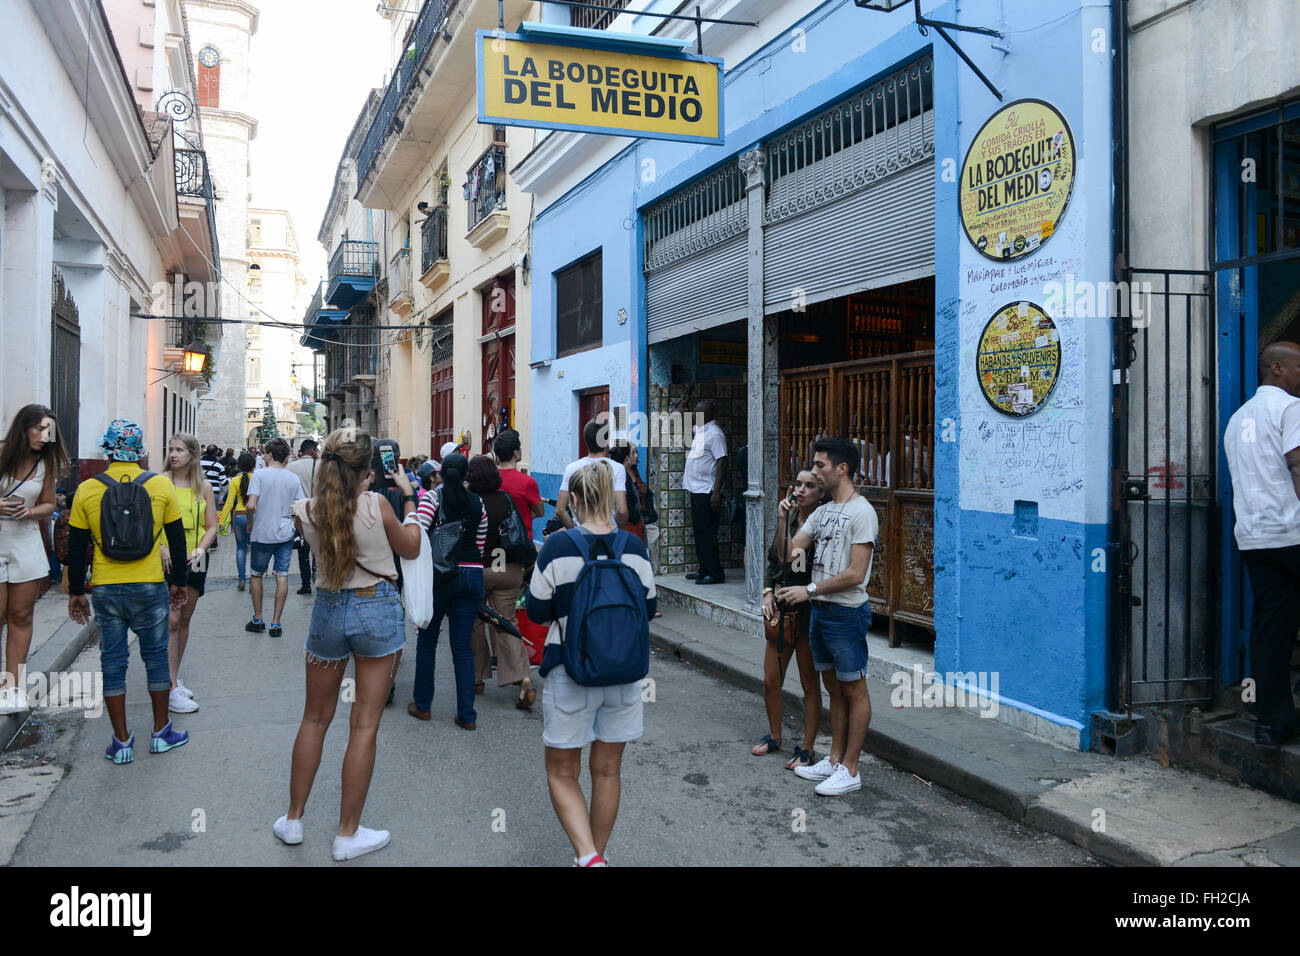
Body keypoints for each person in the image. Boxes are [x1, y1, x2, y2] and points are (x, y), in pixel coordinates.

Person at [278, 427, 421, 861]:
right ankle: (346, 833)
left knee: (314, 719)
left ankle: (294, 820)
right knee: (364, 725)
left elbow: (327, 535)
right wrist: (410, 499)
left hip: (328, 607)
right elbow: (411, 549)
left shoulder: (305, 509)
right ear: (369, 470)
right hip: (374, 606)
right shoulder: (378, 505)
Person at [527, 461, 656, 866]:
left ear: (577, 500)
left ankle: (587, 857)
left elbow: (535, 610)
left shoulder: (557, 547)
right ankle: (596, 855)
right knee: (607, 771)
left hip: (571, 671)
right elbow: (649, 609)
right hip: (623, 674)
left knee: (563, 771)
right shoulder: (634, 549)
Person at [65, 420, 190, 762]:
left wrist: (77, 591)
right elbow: (177, 540)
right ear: (140, 452)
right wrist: (179, 581)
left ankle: (121, 742)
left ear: (108, 450)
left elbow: (77, 549)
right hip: (149, 585)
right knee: (156, 658)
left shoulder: (88, 490)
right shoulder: (160, 486)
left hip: (106, 587)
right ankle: (162, 732)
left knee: (113, 661)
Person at [778, 437, 877, 796]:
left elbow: (856, 573)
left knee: (854, 688)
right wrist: (785, 518)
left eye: (820, 466)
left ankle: (851, 768)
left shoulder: (862, 511)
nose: (814, 471)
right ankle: (834, 760)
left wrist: (811, 590)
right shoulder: (822, 512)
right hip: (821, 612)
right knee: (832, 687)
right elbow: (789, 555)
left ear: (841, 469)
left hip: (846, 613)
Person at [1224, 341, 1300, 749]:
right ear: (1277, 369)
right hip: (1293, 533)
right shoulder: (1290, 408)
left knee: (1272, 630)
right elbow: (1298, 464)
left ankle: (1272, 724)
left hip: (1255, 538)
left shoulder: (1237, 419)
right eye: (1299, 367)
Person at [408, 453, 487, 729]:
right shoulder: (478, 503)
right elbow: (480, 543)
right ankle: (467, 716)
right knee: (462, 649)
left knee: (427, 641)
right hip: (472, 575)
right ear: (466, 474)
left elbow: (418, 534)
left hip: (440, 577)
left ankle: (422, 704)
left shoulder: (431, 498)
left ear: (440, 474)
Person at [755, 469, 827, 770]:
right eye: (798, 484)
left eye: (810, 486)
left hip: (811, 610)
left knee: (810, 684)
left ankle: (808, 746)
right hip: (783, 610)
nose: (800, 489)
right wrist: (768, 591)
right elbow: (775, 559)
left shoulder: (824, 524)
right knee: (772, 679)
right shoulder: (789, 518)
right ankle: (775, 735)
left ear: (821, 494)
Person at [0, 405, 68, 715]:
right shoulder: (2, 452)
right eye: (39, 429)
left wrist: (29, 512)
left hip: (25, 541)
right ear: (23, 426)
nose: (44, 436)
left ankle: (11, 687)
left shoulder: (45, 464)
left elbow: (48, 503)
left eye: (49, 431)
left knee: (21, 615)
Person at [466, 454, 535, 709]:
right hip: (508, 569)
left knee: (474, 622)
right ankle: (522, 676)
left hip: (479, 571)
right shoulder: (506, 500)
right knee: (506, 623)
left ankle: (477, 679)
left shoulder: (471, 502)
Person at [158, 434, 217, 715]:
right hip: (167, 558)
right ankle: (169, 688)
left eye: (179, 450)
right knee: (171, 620)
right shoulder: (160, 482)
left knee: (184, 619)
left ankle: (174, 677)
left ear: (193, 454)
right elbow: (151, 521)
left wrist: (200, 551)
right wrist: (161, 546)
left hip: (196, 558)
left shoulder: (203, 487)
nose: (173, 454)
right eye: (171, 449)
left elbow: (212, 526)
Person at [245, 438, 306, 637]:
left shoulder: (259, 475)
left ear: (270, 455)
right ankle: (276, 623)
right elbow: (298, 509)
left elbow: (250, 505)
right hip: (285, 533)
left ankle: (258, 618)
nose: (263, 456)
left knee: (256, 574)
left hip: (262, 533)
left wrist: (249, 523)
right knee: (282, 576)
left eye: (264, 453)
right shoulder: (293, 478)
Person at [684, 399, 728, 584]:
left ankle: (715, 573)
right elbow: (685, 419)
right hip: (696, 489)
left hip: (707, 491)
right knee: (700, 532)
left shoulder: (715, 434)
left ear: (709, 415)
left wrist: (716, 492)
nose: (695, 415)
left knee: (708, 533)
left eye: (698, 412)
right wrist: (685, 403)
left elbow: (722, 461)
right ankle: (704, 569)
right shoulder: (700, 430)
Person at [556, 418, 627, 530]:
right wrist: (620, 534)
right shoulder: (617, 468)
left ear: (586, 440)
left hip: (581, 536)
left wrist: (575, 531)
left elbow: (560, 510)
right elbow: (622, 510)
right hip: (610, 535)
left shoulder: (572, 468)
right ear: (606, 441)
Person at [493, 429, 543, 538]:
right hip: (521, 540)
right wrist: (521, 518)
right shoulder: (527, 481)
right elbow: (540, 512)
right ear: (515, 453)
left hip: (496, 539)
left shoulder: (490, 478)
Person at [287, 439, 320, 595]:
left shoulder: (290, 467)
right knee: (319, 549)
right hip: (319, 513)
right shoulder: (323, 466)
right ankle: (319, 578)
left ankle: (305, 584)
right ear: (312, 450)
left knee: (302, 551)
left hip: (299, 514)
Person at [219, 452, 256, 591]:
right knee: (255, 548)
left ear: (239, 466)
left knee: (240, 548)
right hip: (254, 516)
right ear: (253, 464)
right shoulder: (257, 479)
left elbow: (229, 503)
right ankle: (255, 579)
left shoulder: (234, 481)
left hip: (239, 516)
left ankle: (241, 579)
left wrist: (222, 521)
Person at [608, 444, 645, 541]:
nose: (636, 456)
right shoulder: (623, 476)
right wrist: (636, 518)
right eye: (632, 453)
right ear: (626, 458)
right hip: (630, 525)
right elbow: (626, 505)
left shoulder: (631, 473)